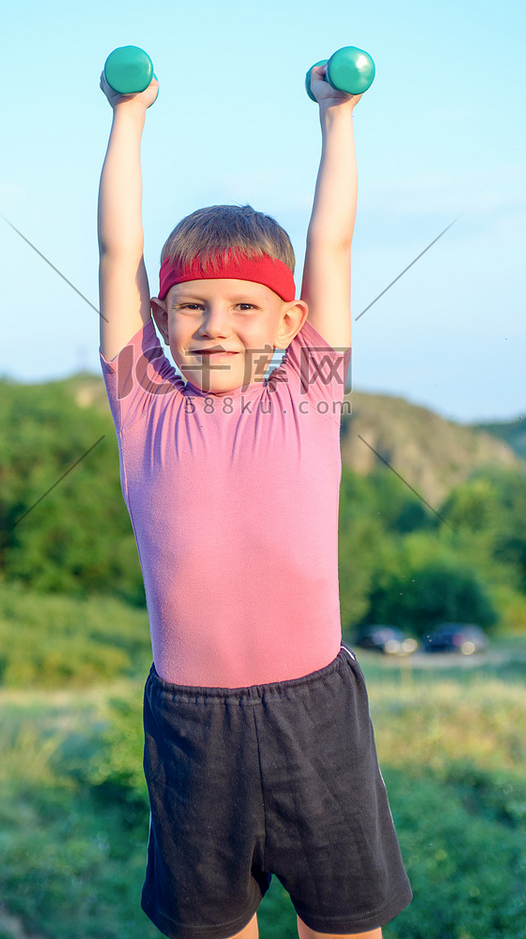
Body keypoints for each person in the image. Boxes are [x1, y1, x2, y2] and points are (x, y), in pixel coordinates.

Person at [97, 58, 412, 939]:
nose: (217, 327)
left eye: (244, 306)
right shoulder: (142, 401)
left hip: (316, 711)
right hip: (194, 728)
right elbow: (118, 253)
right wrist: (130, 115)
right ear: (159, 320)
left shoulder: (309, 392)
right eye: (192, 308)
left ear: (290, 321)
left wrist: (337, 117)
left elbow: (334, 245)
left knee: (345, 927)